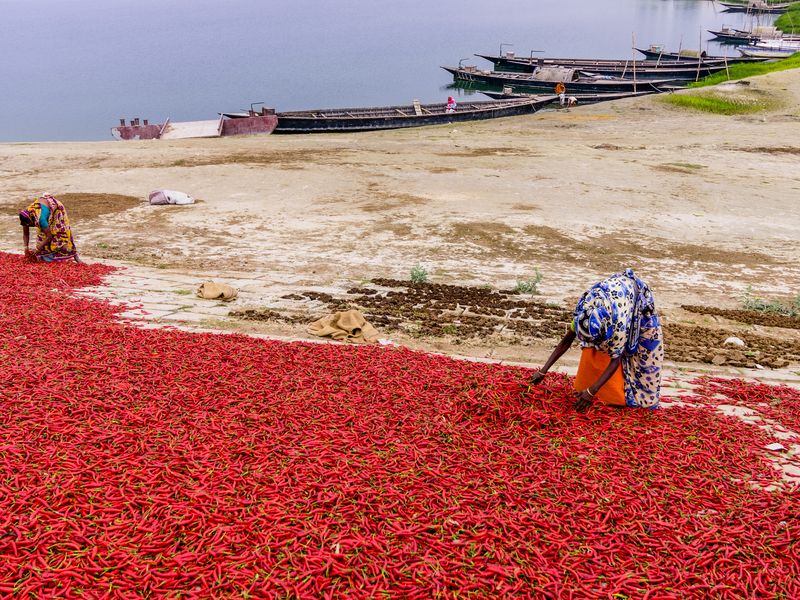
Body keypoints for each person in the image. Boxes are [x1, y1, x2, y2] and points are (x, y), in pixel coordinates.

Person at [528, 268, 663, 412]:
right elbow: (567, 340)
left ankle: (634, 396)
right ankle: (603, 389)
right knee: (595, 350)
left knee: (643, 357)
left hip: (634, 300)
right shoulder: (584, 312)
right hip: (613, 296)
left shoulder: (618, 326)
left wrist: (591, 392)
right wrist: (543, 370)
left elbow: (615, 359)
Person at [19, 194, 82, 263]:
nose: (32, 226)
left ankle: (75, 256)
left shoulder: (41, 219)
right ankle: (48, 256)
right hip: (45, 211)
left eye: (31, 225)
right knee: (42, 237)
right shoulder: (25, 216)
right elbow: (26, 234)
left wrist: (37, 248)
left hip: (56, 209)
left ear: (32, 220)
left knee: (60, 236)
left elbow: (49, 236)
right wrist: (26, 248)